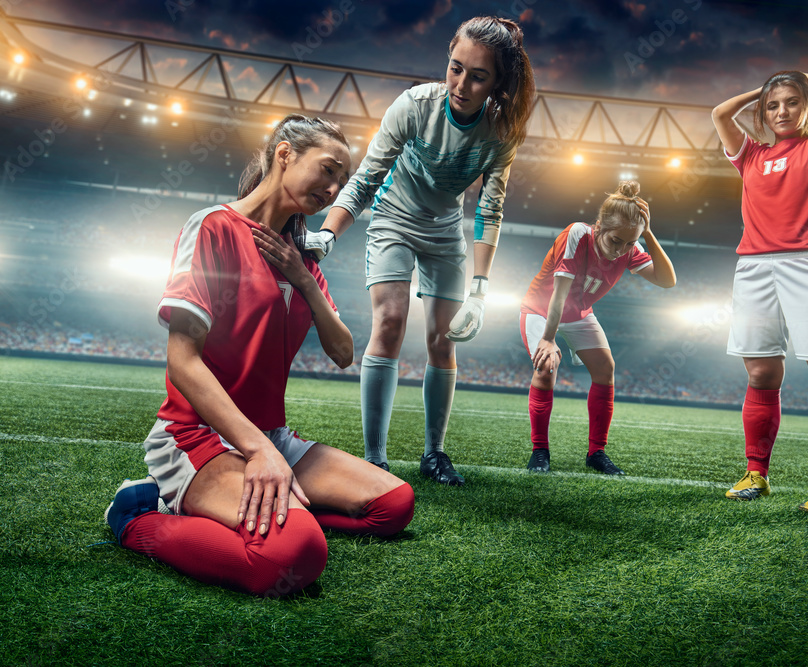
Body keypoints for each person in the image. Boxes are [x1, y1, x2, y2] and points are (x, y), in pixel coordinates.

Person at [103, 115, 415, 598]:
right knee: (293, 555)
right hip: (197, 436)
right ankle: (136, 515)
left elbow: (344, 353)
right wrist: (258, 451)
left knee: (394, 505)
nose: (334, 188)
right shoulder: (213, 227)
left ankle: (260, 512)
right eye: (328, 170)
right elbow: (183, 363)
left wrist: (306, 279)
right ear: (285, 153)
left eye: (342, 180)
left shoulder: (302, 258)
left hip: (271, 437)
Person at [302, 16, 536, 486]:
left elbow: (490, 209)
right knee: (389, 319)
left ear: (499, 81)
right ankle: (375, 460)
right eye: (455, 68)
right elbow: (367, 177)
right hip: (394, 216)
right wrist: (327, 235)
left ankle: (434, 454)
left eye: (478, 76)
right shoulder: (414, 105)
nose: (461, 85)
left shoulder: (502, 130)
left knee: (442, 340)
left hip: (445, 228)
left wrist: (480, 289)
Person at [711, 70, 808, 514]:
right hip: (754, 267)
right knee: (759, 374)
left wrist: (788, 81)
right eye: (773, 106)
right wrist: (765, 90)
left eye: (793, 102)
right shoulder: (751, 156)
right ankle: (756, 474)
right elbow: (720, 113)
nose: (782, 111)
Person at [520, 182, 676, 474]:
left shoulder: (630, 246)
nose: (622, 251)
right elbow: (559, 294)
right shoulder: (577, 234)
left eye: (631, 243)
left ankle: (596, 452)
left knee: (606, 369)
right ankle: (540, 451)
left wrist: (648, 234)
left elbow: (668, 281)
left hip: (579, 313)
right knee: (546, 368)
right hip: (542, 310)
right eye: (616, 241)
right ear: (600, 227)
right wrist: (548, 339)